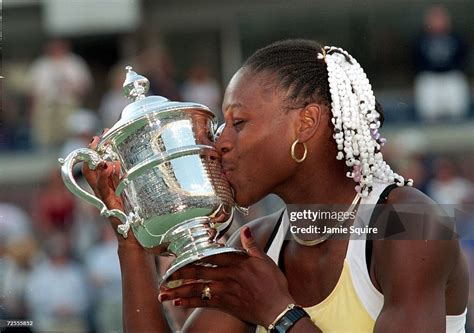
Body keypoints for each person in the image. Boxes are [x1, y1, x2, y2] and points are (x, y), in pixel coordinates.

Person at [84, 39, 468, 332]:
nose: (220, 143)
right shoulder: (258, 244)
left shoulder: (412, 223)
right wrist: (130, 238)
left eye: (239, 122)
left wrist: (279, 313)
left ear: (306, 123)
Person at [413, 5, 470, 123]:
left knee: (458, 112)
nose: (437, 22)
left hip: (451, 76)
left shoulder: (456, 38)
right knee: (428, 114)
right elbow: (414, 60)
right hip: (430, 78)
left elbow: (464, 57)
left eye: (440, 18)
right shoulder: (421, 39)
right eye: (434, 19)